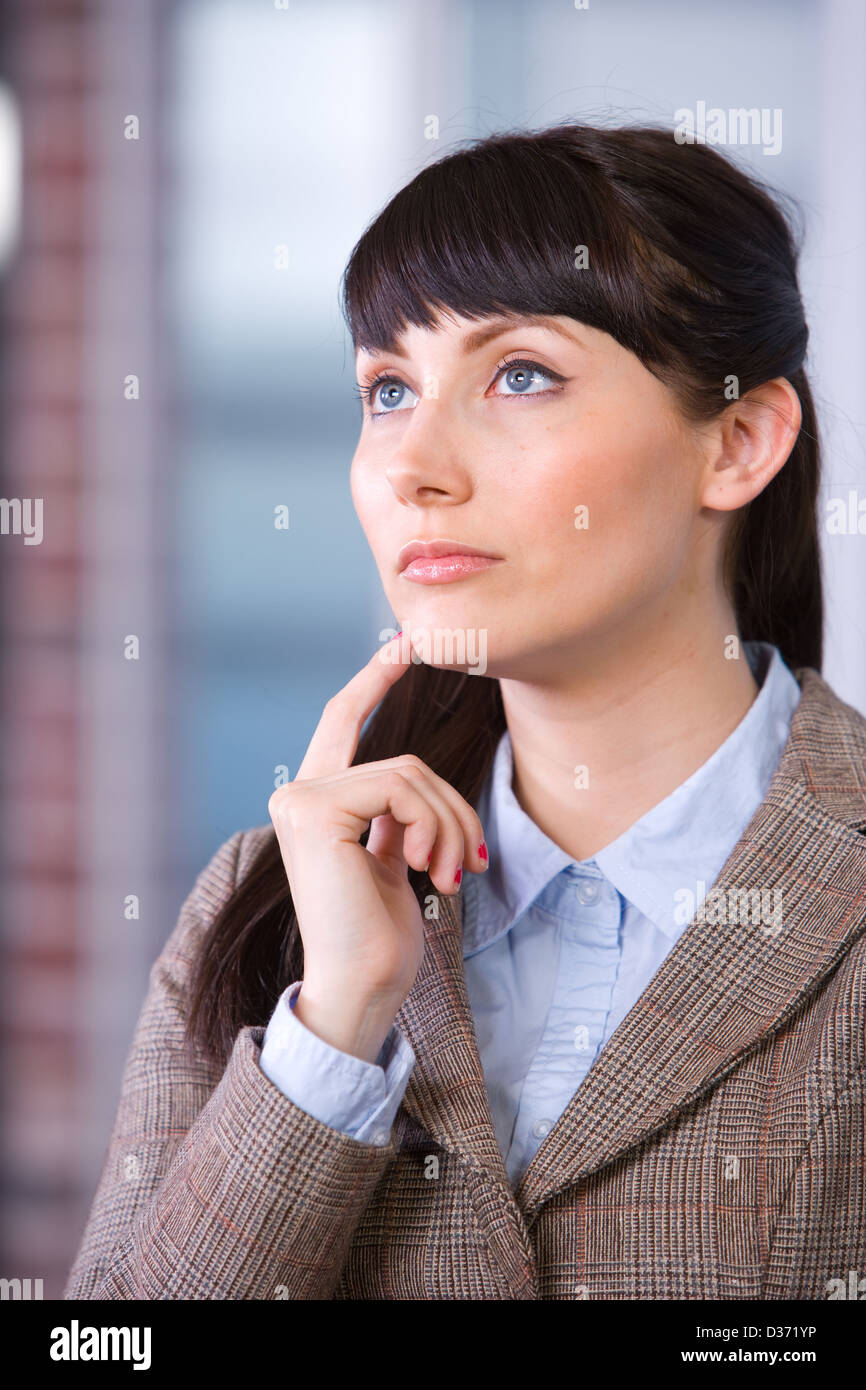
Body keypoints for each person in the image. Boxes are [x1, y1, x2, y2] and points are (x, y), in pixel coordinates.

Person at [65, 122, 866, 1301]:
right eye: (387, 389)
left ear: (738, 441)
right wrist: (331, 1030)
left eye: (519, 374)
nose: (412, 465)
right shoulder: (262, 916)